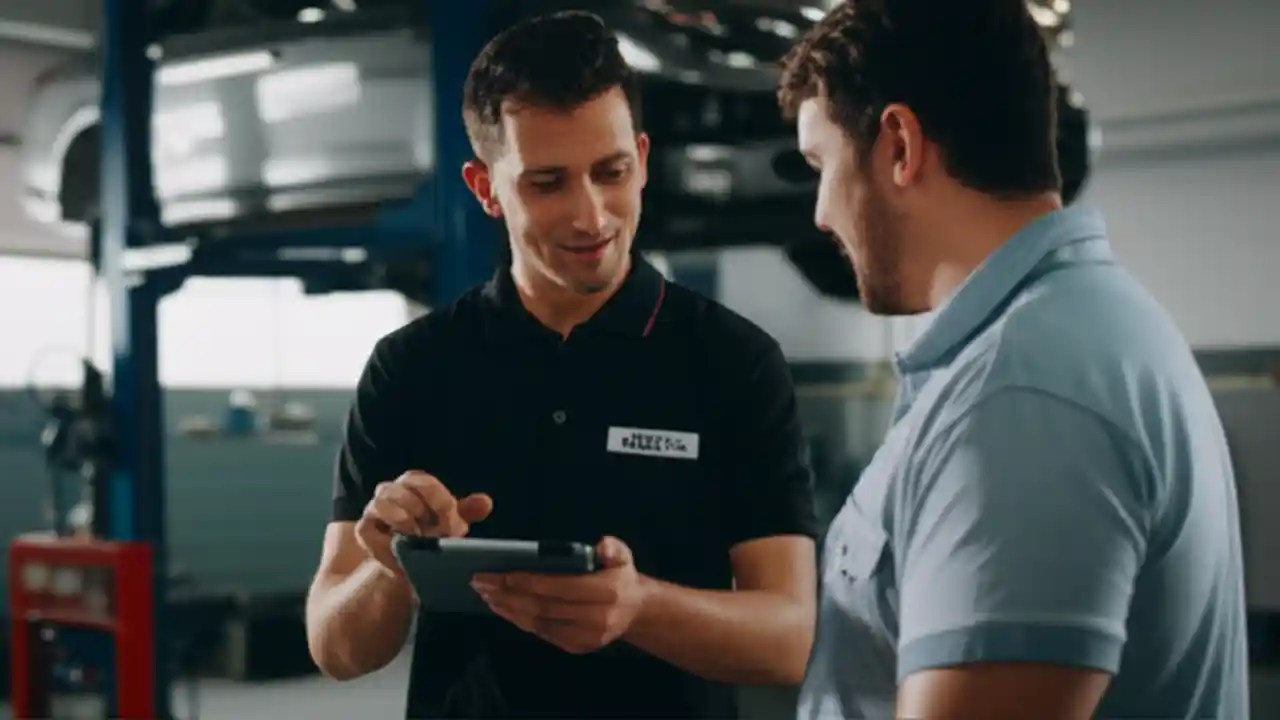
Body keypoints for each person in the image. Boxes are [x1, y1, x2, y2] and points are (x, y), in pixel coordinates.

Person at [304, 10, 819, 719]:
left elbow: (789, 637)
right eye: (547, 184)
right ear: (485, 188)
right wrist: (392, 570)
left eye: (612, 172)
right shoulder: (414, 367)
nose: (591, 216)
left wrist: (638, 607)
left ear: (641, 155)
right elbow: (334, 648)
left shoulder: (734, 362)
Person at [777, 1, 1250, 719]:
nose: (819, 212)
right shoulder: (1070, 336)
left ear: (900, 146)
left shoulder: (1021, 393)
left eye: (822, 164)